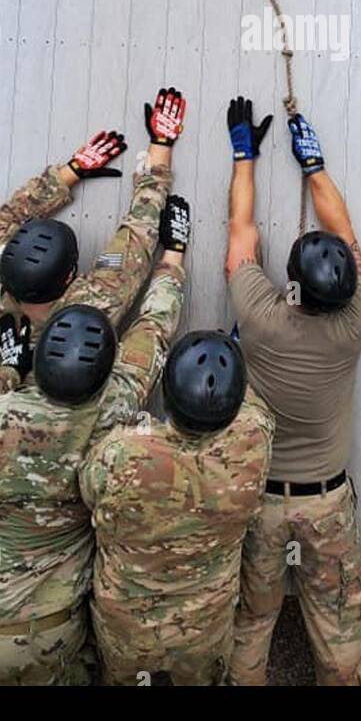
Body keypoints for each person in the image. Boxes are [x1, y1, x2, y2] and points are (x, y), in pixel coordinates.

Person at [0, 177, 191, 686]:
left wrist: (5, 373)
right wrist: (173, 255)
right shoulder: (116, 407)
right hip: (53, 634)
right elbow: (154, 325)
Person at [0, 88, 185, 582]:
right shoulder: (93, 303)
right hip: (67, 462)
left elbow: (9, 220)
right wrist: (160, 147)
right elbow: (138, 235)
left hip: (1, 462)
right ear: (72, 276)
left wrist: (71, 170)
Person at [80, 200, 275, 685]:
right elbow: (252, 410)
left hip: (125, 625)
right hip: (204, 626)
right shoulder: (252, 446)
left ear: (163, 394)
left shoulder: (122, 454)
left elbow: (87, 489)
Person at [222, 98, 361, 686]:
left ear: (292, 283)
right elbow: (344, 229)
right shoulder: (355, 315)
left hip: (260, 501)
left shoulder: (260, 314)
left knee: (252, 624)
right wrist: (314, 165)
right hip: (327, 504)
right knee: (339, 635)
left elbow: (241, 234)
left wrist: (244, 155)